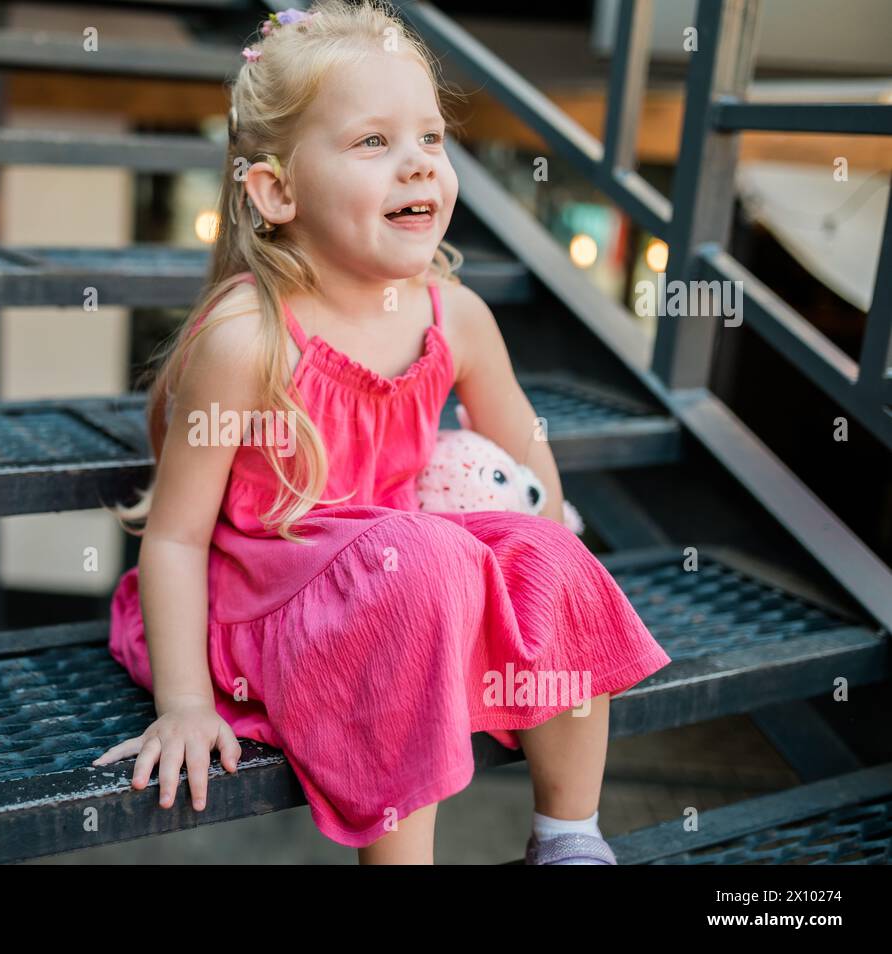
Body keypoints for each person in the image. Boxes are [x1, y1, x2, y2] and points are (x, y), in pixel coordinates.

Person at [93, 0, 672, 864]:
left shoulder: (458, 317)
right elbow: (175, 541)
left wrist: (538, 581)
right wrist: (185, 703)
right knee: (424, 559)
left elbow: (530, 466)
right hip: (274, 610)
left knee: (552, 551)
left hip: (409, 585)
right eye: (373, 143)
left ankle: (570, 838)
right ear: (277, 190)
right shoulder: (249, 336)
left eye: (432, 140)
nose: (418, 168)